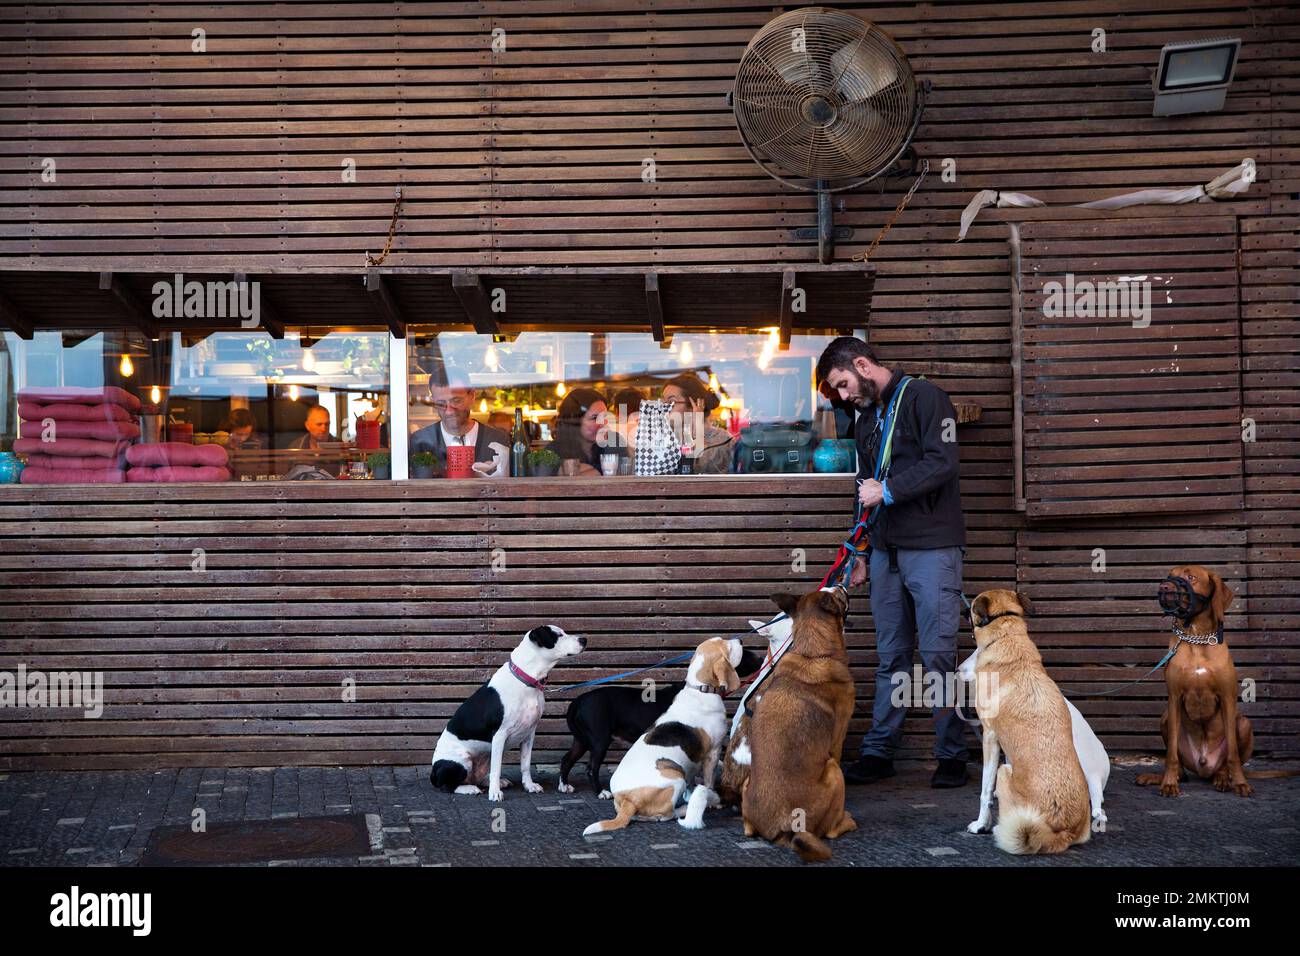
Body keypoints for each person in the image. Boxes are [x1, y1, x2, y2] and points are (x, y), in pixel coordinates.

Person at [815, 336, 971, 789]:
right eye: (838, 389)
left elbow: (944, 462)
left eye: (843, 384)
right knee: (891, 657)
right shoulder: (865, 418)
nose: (843, 396)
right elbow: (863, 486)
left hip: (933, 547)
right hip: (884, 552)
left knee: (939, 655)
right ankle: (880, 752)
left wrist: (889, 490)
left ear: (863, 364)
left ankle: (952, 756)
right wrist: (860, 552)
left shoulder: (926, 396)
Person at [409, 365, 510, 475]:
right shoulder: (419, 441)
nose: (449, 411)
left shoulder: (499, 441)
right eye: (441, 403)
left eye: (456, 401)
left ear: (472, 396)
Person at [662, 374, 734, 474]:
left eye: (671, 402)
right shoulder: (666, 439)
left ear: (693, 405)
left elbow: (705, 473)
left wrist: (697, 433)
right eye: (663, 402)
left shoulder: (721, 439)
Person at [546, 387, 607, 476]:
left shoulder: (611, 445)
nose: (603, 423)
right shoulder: (552, 453)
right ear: (574, 422)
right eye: (595, 418)